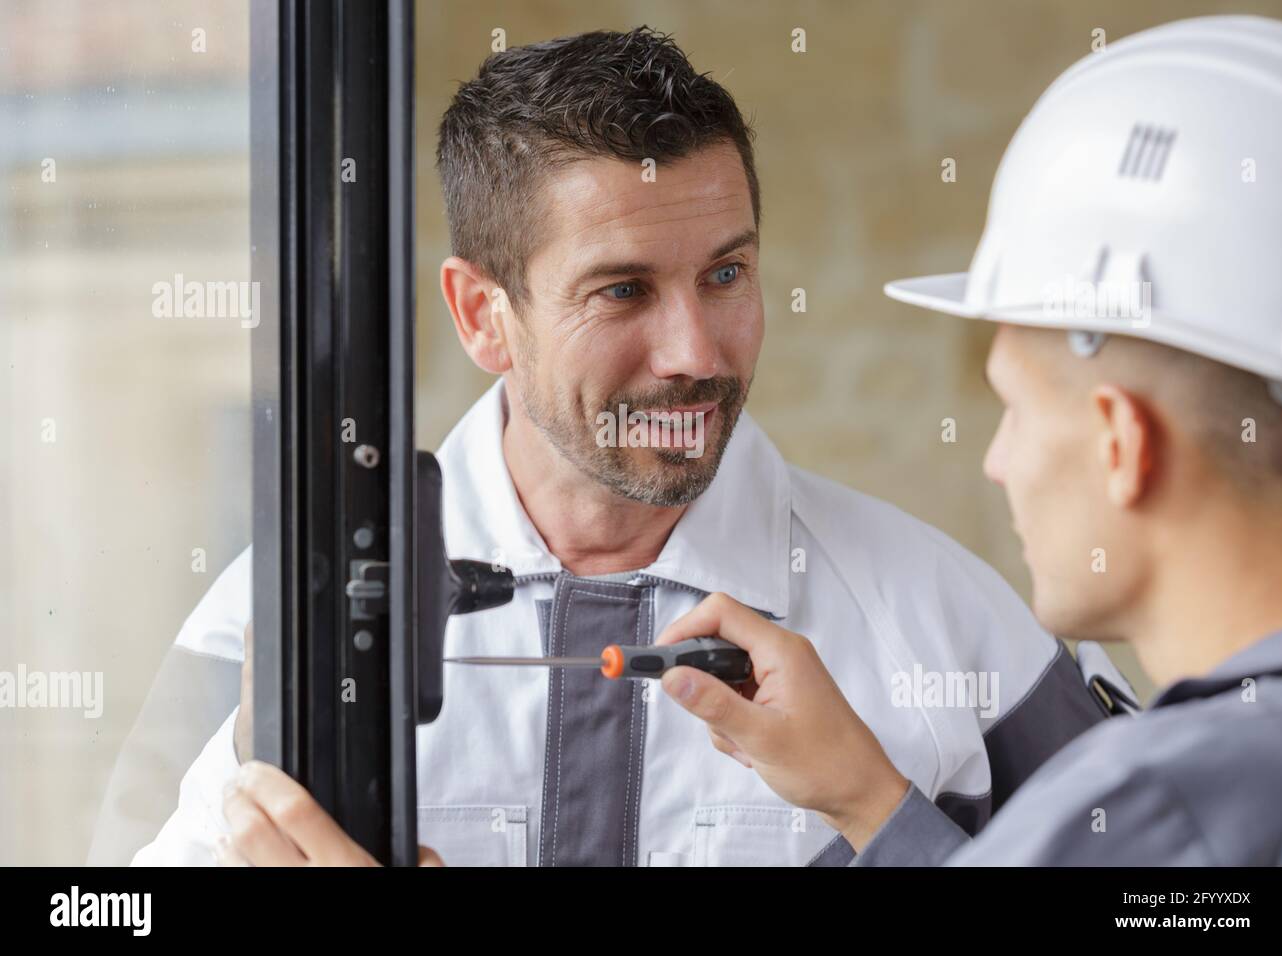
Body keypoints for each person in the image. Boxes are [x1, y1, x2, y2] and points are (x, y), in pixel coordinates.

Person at [122, 27, 1111, 867]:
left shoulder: (960, 629)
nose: (695, 353)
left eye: (724, 274)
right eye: (622, 290)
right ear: (481, 314)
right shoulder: (266, 633)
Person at [655, 15, 1282, 865]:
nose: (996, 462)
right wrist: (868, 800)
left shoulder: (1149, 811)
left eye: (1015, 409)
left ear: (1121, 442)